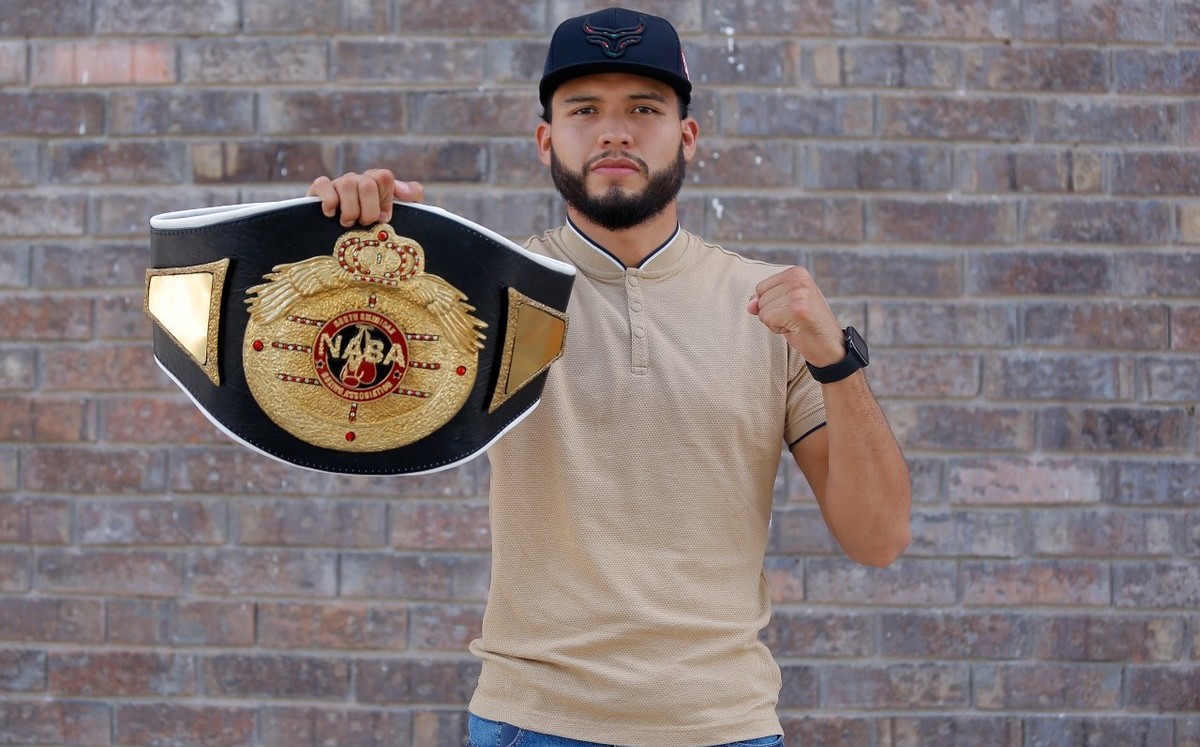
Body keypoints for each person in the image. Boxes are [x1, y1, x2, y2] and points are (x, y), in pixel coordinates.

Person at [307, 7, 911, 747]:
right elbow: (347, 404)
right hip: (535, 720)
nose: (614, 132)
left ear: (688, 136)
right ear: (546, 140)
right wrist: (358, 257)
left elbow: (878, 538)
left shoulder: (769, 307)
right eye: (585, 109)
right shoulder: (483, 294)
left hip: (725, 725)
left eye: (644, 109)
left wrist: (835, 359)